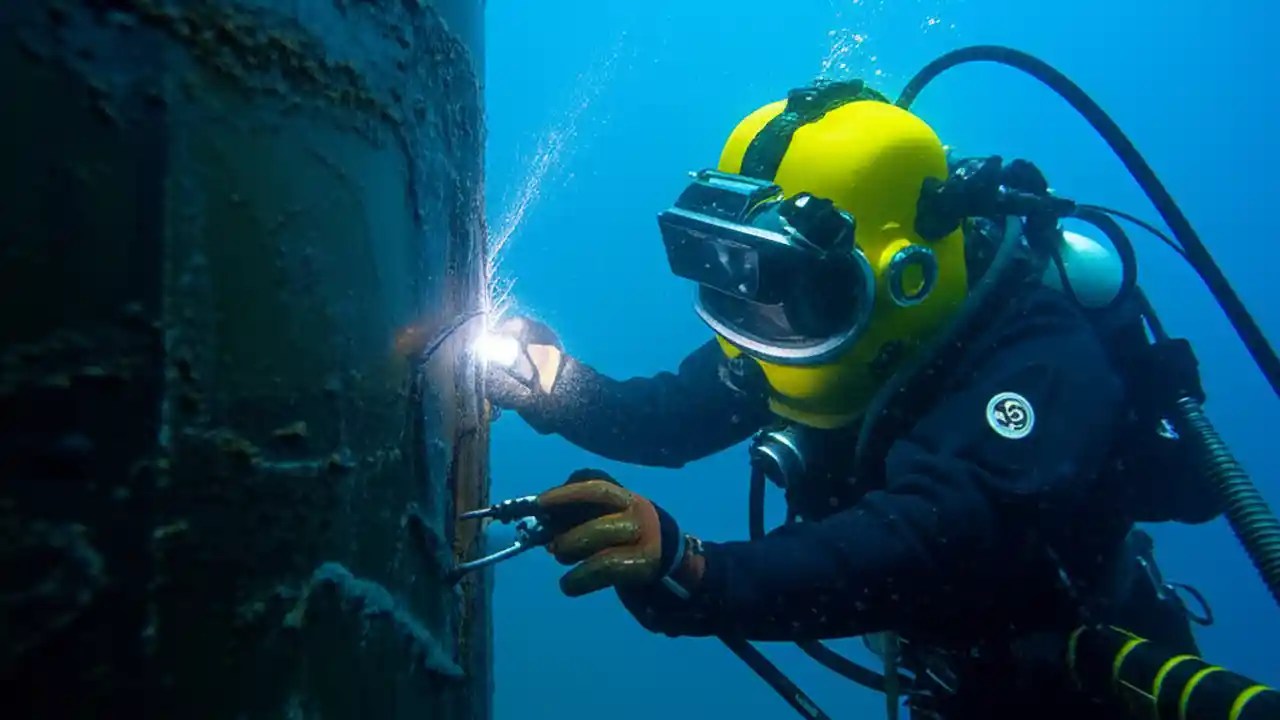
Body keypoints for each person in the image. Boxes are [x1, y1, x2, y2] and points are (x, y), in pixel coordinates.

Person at [480, 79, 1224, 719]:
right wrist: (549, 384)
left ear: (905, 274)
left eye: (791, 289)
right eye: (740, 281)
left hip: (1099, 677)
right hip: (946, 679)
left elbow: (928, 535)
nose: (758, 324)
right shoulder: (807, 325)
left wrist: (700, 572)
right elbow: (667, 418)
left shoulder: (1042, 356)